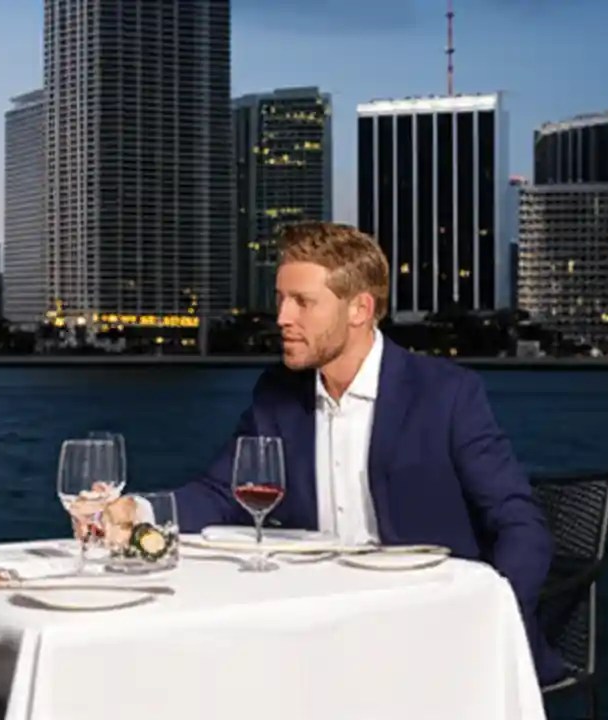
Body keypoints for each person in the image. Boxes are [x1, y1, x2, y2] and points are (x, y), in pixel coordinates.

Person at [110, 221, 564, 684]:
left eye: (303, 302)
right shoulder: (278, 393)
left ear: (359, 309)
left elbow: (520, 525)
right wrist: (137, 509)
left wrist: (487, 612)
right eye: (281, 299)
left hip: (435, 633)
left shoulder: (446, 395)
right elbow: (223, 493)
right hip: (319, 627)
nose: (283, 317)